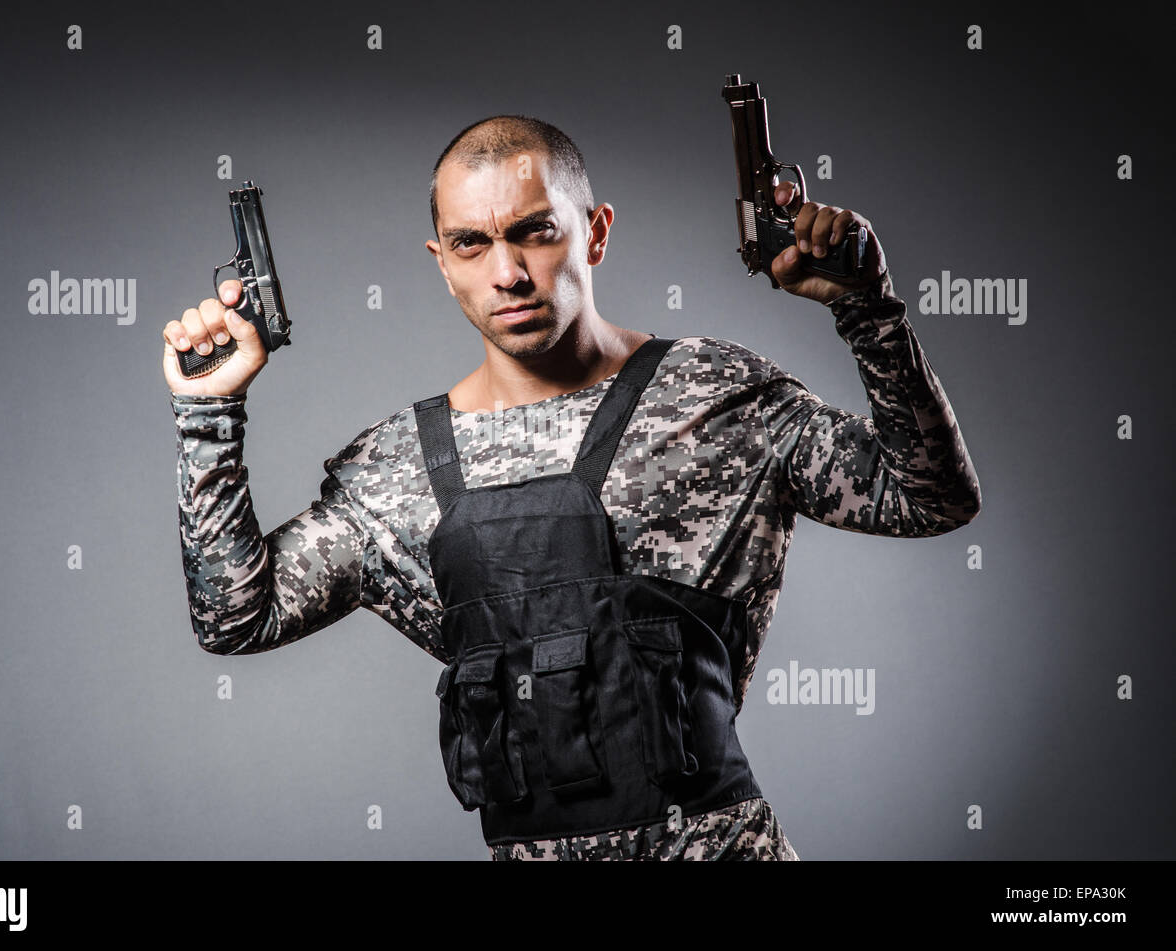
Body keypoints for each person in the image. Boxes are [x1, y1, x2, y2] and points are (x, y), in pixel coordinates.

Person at [161, 115, 981, 861]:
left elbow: (929, 497)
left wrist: (869, 313)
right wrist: (208, 413)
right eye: (472, 244)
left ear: (595, 232)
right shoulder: (395, 468)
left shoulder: (714, 396)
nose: (509, 272)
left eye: (535, 232)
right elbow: (239, 616)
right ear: (442, 263)